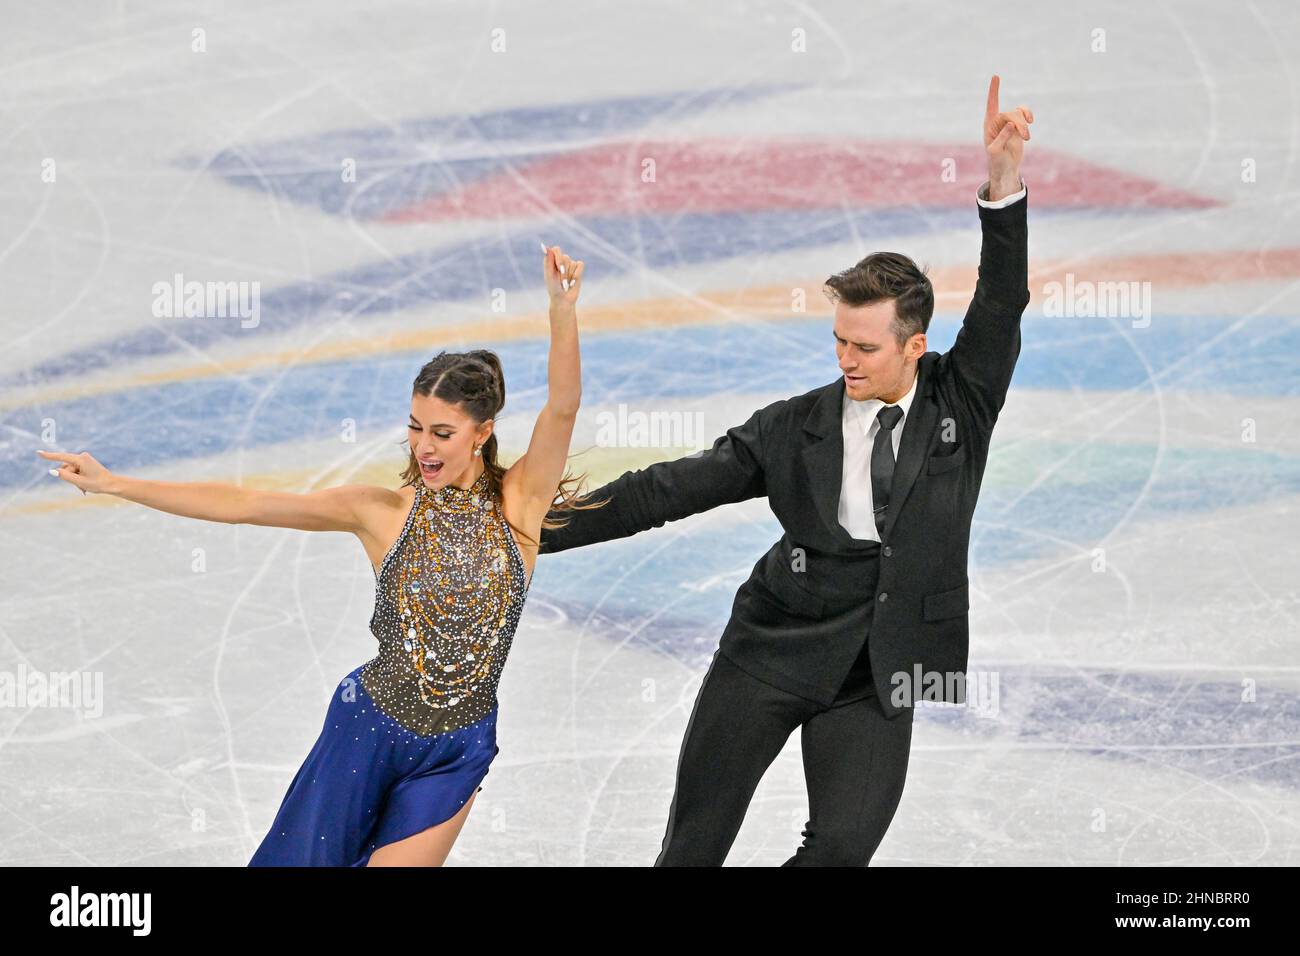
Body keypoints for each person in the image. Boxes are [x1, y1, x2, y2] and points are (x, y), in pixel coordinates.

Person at [538, 75, 1035, 865]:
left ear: (914, 346)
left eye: (864, 347)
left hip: (881, 669)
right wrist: (527, 528)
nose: (846, 360)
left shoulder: (960, 403)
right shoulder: (793, 427)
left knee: (840, 850)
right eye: (838, 341)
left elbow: (1001, 303)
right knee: (691, 850)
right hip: (769, 650)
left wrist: (1002, 183)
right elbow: (666, 490)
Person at [38, 245, 601, 866]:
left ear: (482, 432)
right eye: (415, 427)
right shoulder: (381, 512)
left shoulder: (519, 506)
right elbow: (248, 504)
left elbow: (563, 407)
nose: (424, 447)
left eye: (442, 433)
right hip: (367, 730)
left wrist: (561, 310)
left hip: (456, 751)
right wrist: (119, 484)